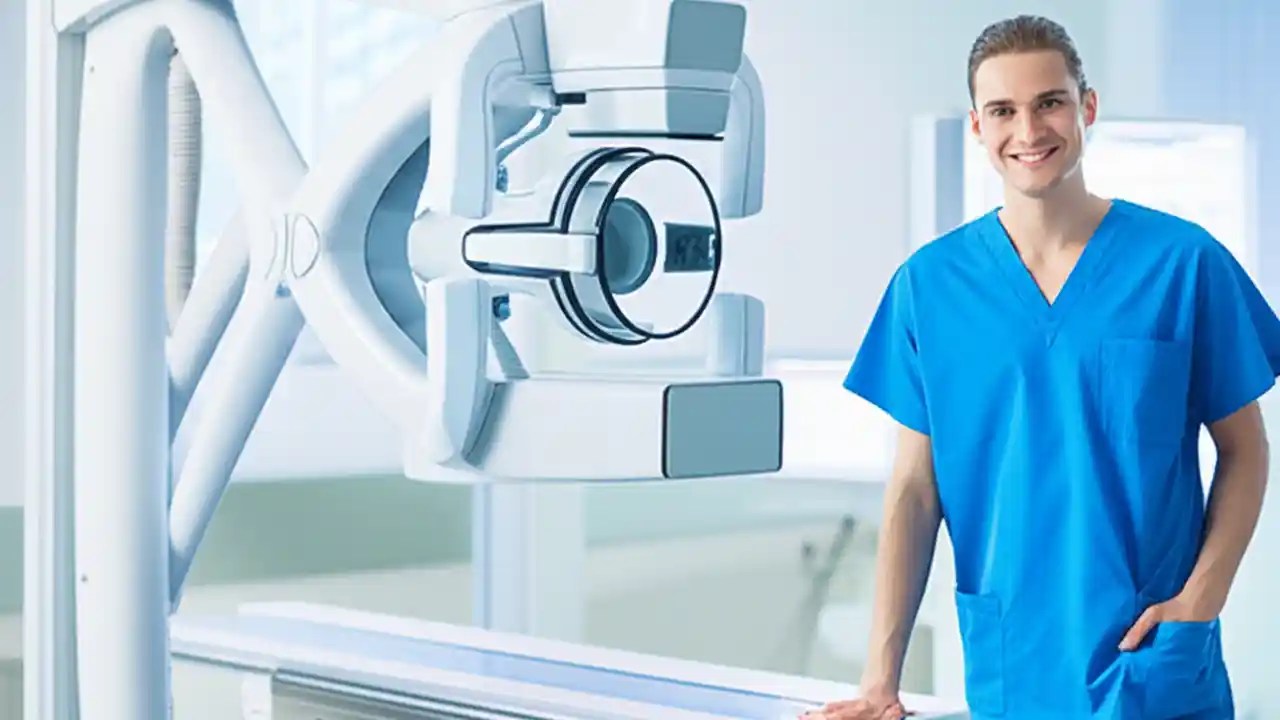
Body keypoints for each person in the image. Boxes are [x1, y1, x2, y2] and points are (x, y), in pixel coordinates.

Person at [802, 14, 1279, 720]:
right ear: (976, 127)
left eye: (1049, 102)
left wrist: (1203, 596)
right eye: (1003, 110)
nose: (1028, 131)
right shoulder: (930, 287)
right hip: (1014, 669)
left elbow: (1245, 448)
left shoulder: (1182, 263)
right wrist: (880, 682)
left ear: (1086, 107)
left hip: (1155, 663)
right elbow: (913, 490)